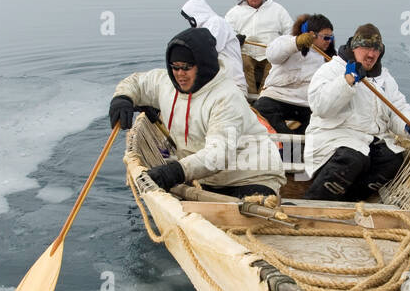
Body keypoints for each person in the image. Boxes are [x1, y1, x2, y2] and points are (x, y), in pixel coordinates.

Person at [108, 27, 285, 198]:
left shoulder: (226, 98)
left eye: (186, 67)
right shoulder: (166, 84)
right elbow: (138, 83)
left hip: (251, 177)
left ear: (203, 65)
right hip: (207, 179)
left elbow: (217, 155)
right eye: (174, 67)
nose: (179, 74)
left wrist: (176, 171)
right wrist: (123, 98)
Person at [303, 23, 410, 202]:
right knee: (353, 158)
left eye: (376, 50)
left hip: (371, 141)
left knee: (393, 160)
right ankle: (314, 201)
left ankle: (350, 200)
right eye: (365, 48)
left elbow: (398, 109)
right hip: (334, 137)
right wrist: (347, 81)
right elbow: (320, 107)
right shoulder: (332, 69)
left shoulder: (385, 78)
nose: (371, 55)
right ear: (354, 47)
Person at [253, 14, 336, 134]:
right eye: (326, 38)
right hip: (277, 97)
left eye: (331, 38)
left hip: (306, 104)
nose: (329, 42)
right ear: (312, 34)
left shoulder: (331, 57)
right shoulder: (287, 41)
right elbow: (272, 55)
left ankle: (292, 146)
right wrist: (296, 43)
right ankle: (286, 142)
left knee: (320, 123)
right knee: (261, 110)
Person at [224, 0, 294, 93]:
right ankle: (250, 97)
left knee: (274, 66)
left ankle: (265, 95)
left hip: (270, 51)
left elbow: (290, 30)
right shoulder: (235, 12)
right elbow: (226, 32)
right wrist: (235, 39)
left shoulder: (277, 9)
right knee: (244, 63)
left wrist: (283, 44)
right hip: (247, 51)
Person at [180, 0, 247, 92]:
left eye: (189, 18)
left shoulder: (216, 23)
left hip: (232, 85)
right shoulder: (207, 27)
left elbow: (209, 50)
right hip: (220, 83)